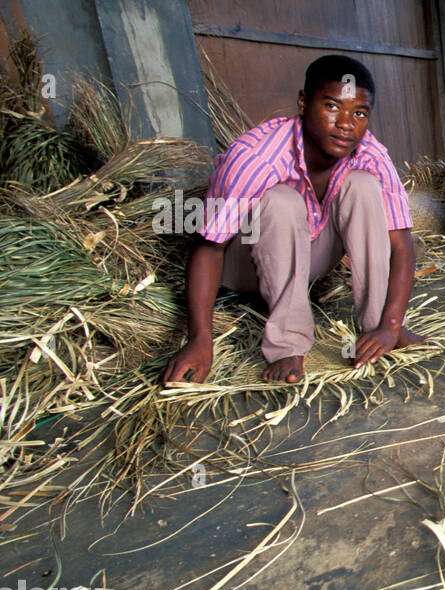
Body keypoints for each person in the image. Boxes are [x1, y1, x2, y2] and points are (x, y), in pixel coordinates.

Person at [163, 54, 420, 386]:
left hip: (310, 257)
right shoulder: (256, 156)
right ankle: (288, 345)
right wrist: (200, 338)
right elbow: (208, 248)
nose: (346, 123)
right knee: (282, 201)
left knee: (362, 185)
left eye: (359, 113)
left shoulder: (371, 154)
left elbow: (402, 246)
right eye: (331, 107)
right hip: (248, 267)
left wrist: (392, 324)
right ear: (303, 102)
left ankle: (376, 329)